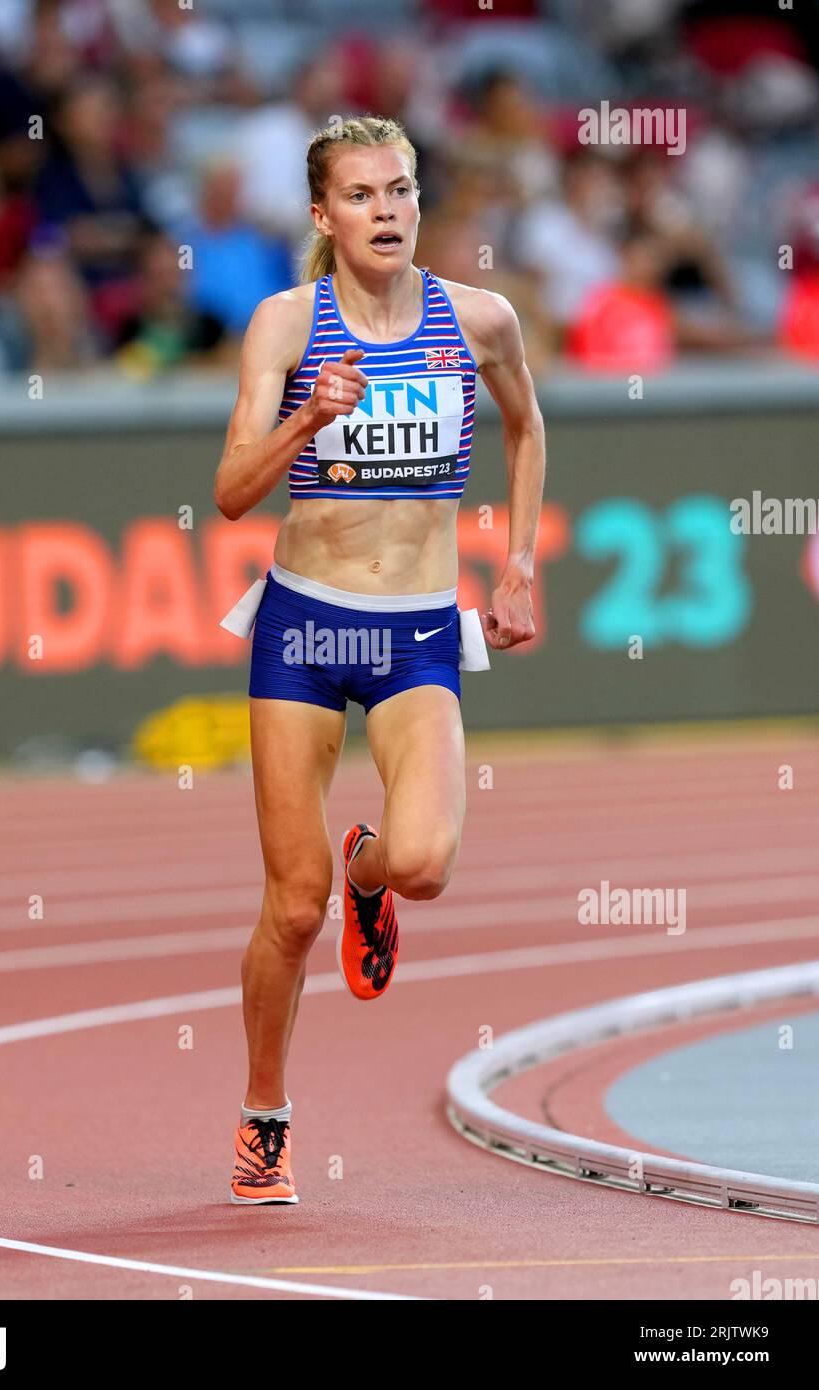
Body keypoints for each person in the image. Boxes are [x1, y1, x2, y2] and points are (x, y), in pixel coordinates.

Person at [214, 115, 545, 1205]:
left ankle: (371, 870)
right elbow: (228, 492)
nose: (387, 210)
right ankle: (265, 1114)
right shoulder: (284, 323)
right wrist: (310, 412)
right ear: (323, 215)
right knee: (290, 908)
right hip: (306, 625)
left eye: (399, 190)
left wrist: (517, 564)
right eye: (360, 195)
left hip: (413, 630)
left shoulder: (477, 318)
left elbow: (528, 428)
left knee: (424, 865)